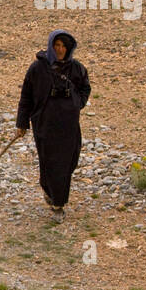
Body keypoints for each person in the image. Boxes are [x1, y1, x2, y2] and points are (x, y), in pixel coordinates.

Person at [14, 30, 91, 221]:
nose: (60, 49)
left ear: (69, 48)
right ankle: (58, 205)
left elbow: (85, 88)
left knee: (69, 162)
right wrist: (22, 123)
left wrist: (77, 103)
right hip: (45, 124)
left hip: (68, 124)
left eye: (64, 46)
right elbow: (26, 97)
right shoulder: (37, 69)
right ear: (50, 46)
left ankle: (52, 192)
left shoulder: (76, 68)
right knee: (52, 164)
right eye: (56, 45)